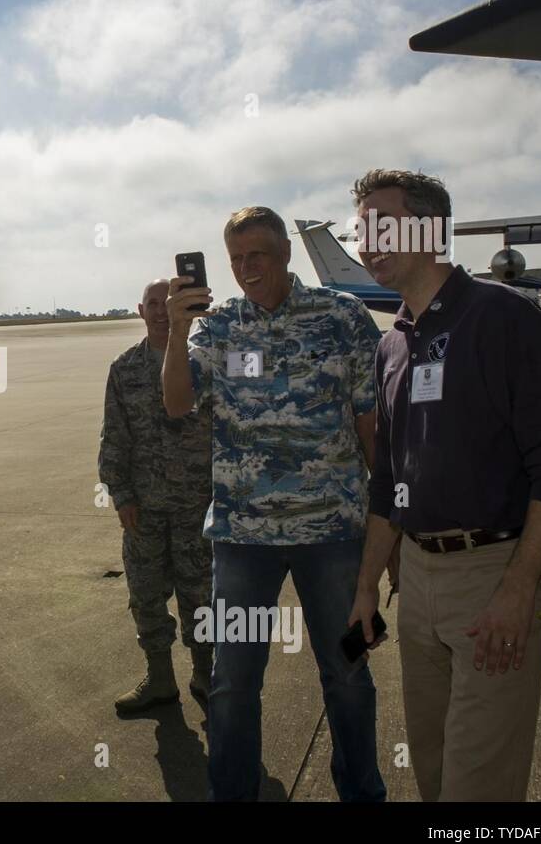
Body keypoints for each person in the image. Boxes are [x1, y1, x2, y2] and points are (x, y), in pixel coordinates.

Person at [346, 169, 541, 801]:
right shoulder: (392, 343)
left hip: (495, 573)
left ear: (430, 229)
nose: (364, 239)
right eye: (360, 227)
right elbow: (389, 479)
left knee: (477, 786)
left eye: (382, 224)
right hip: (419, 579)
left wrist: (519, 589)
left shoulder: (506, 319)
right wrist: (368, 584)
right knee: (434, 766)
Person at [161, 207, 387, 801]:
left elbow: (369, 422)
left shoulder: (343, 317)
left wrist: (388, 527)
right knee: (233, 684)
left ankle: (362, 794)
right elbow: (179, 404)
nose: (245, 268)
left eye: (257, 254)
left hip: (334, 533)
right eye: (235, 258)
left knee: (348, 675)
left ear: (286, 252)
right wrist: (178, 331)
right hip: (243, 538)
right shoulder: (219, 327)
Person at [100, 278, 214, 713]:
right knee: (146, 594)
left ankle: (205, 675)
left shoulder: (203, 362)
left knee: (200, 595)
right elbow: (114, 436)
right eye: (153, 303)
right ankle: (161, 679)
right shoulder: (124, 368)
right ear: (141, 310)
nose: (162, 310)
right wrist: (121, 493)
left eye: (168, 302)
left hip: (197, 504)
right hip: (144, 509)